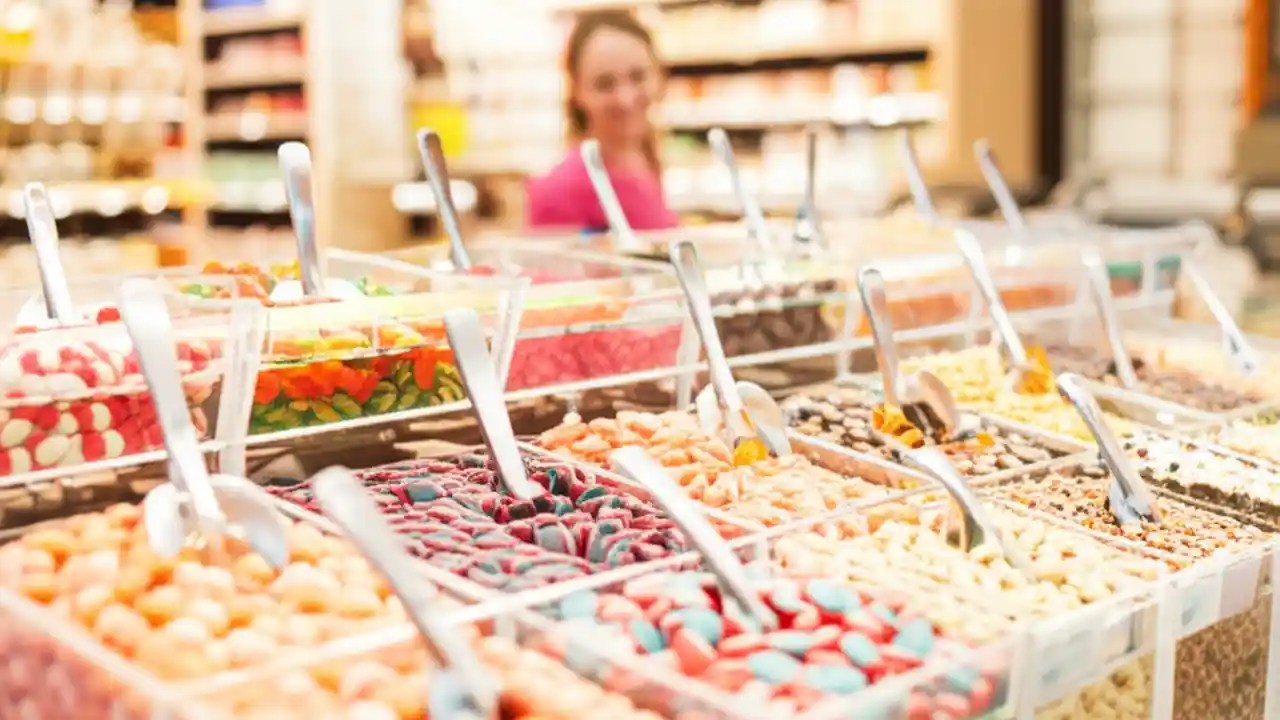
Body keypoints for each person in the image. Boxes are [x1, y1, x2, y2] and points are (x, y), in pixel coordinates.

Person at [526, 11, 678, 232]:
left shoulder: (645, 158)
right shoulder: (559, 191)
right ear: (576, 90)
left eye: (638, 76)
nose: (625, 99)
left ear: (659, 75)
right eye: (604, 84)